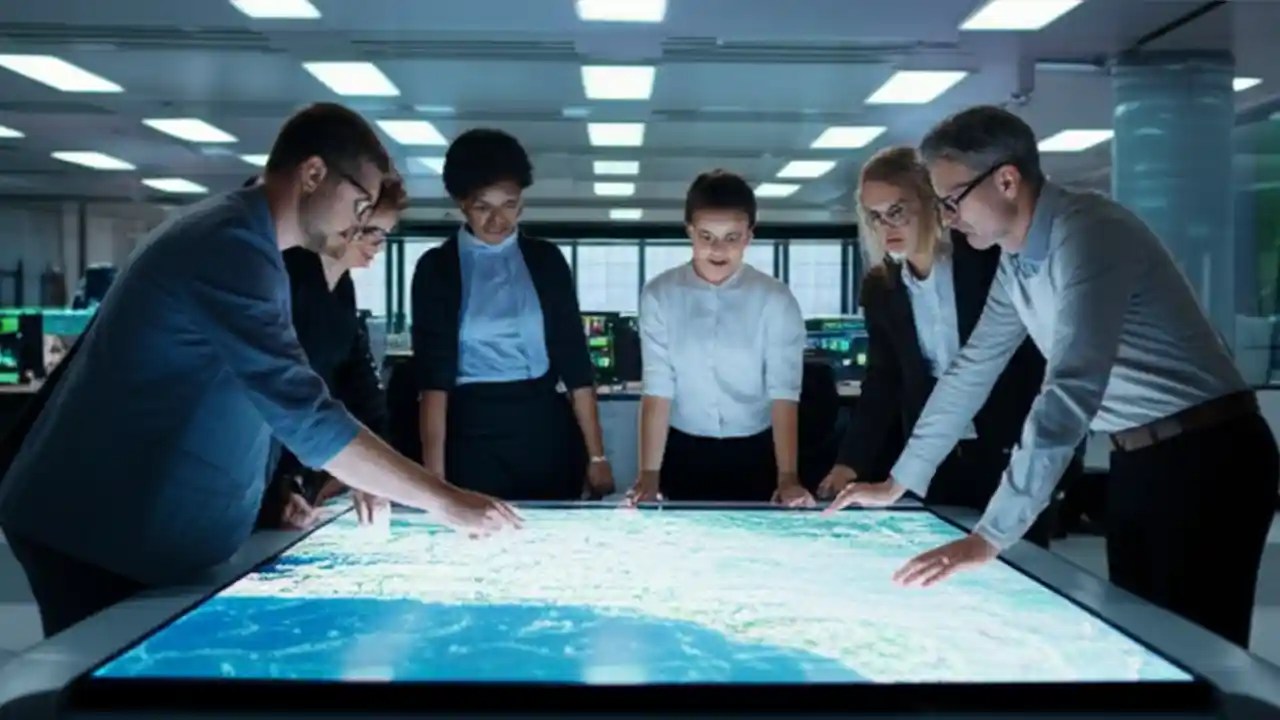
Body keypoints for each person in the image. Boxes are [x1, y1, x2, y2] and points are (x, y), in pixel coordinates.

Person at [0, 103, 520, 639]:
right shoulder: (229, 246)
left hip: (133, 534)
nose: (360, 222)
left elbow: (250, 399)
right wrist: (444, 500)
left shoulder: (254, 246)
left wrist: (270, 493)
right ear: (314, 174)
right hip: (97, 535)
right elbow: (306, 415)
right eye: (360, 202)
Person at [826, 105, 1277, 649]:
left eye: (951, 201)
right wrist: (899, 481)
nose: (946, 218)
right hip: (1138, 457)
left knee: (1201, 652)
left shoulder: (1088, 235)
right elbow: (973, 369)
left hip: (1209, 455)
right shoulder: (1017, 261)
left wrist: (990, 536)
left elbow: (1069, 389)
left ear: (1007, 181)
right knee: (1145, 644)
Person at [816, 146, 1055, 547]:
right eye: (875, 216)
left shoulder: (986, 258)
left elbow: (1029, 356)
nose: (885, 225)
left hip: (1009, 445)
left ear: (932, 203)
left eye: (897, 211)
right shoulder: (882, 288)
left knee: (1019, 567)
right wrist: (849, 462)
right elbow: (883, 382)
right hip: (934, 456)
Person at [411, 128, 614, 501]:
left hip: (544, 429)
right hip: (470, 434)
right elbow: (432, 383)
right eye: (482, 206)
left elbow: (575, 364)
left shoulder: (546, 260)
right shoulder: (436, 269)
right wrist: (434, 479)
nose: (497, 219)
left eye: (509, 204)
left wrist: (597, 455)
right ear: (460, 203)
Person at [626, 170, 812, 506]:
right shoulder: (659, 294)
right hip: (683, 450)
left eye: (732, 236)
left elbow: (784, 392)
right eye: (706, 236)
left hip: (756, 450)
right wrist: (648, 474)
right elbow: (658, 388)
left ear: (749, 237)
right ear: (690, 232)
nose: (718, 248)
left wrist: (788, 476)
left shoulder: (775, 298)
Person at [259, 175, 409, 531]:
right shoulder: (286, 278)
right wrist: (278, 489)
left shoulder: (342, 288)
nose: (377, 243)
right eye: (370, 229)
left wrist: (373, 472)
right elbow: (277, 393)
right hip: (259, 465)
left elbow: (361, 388)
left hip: (302, 468)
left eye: (384, 234)